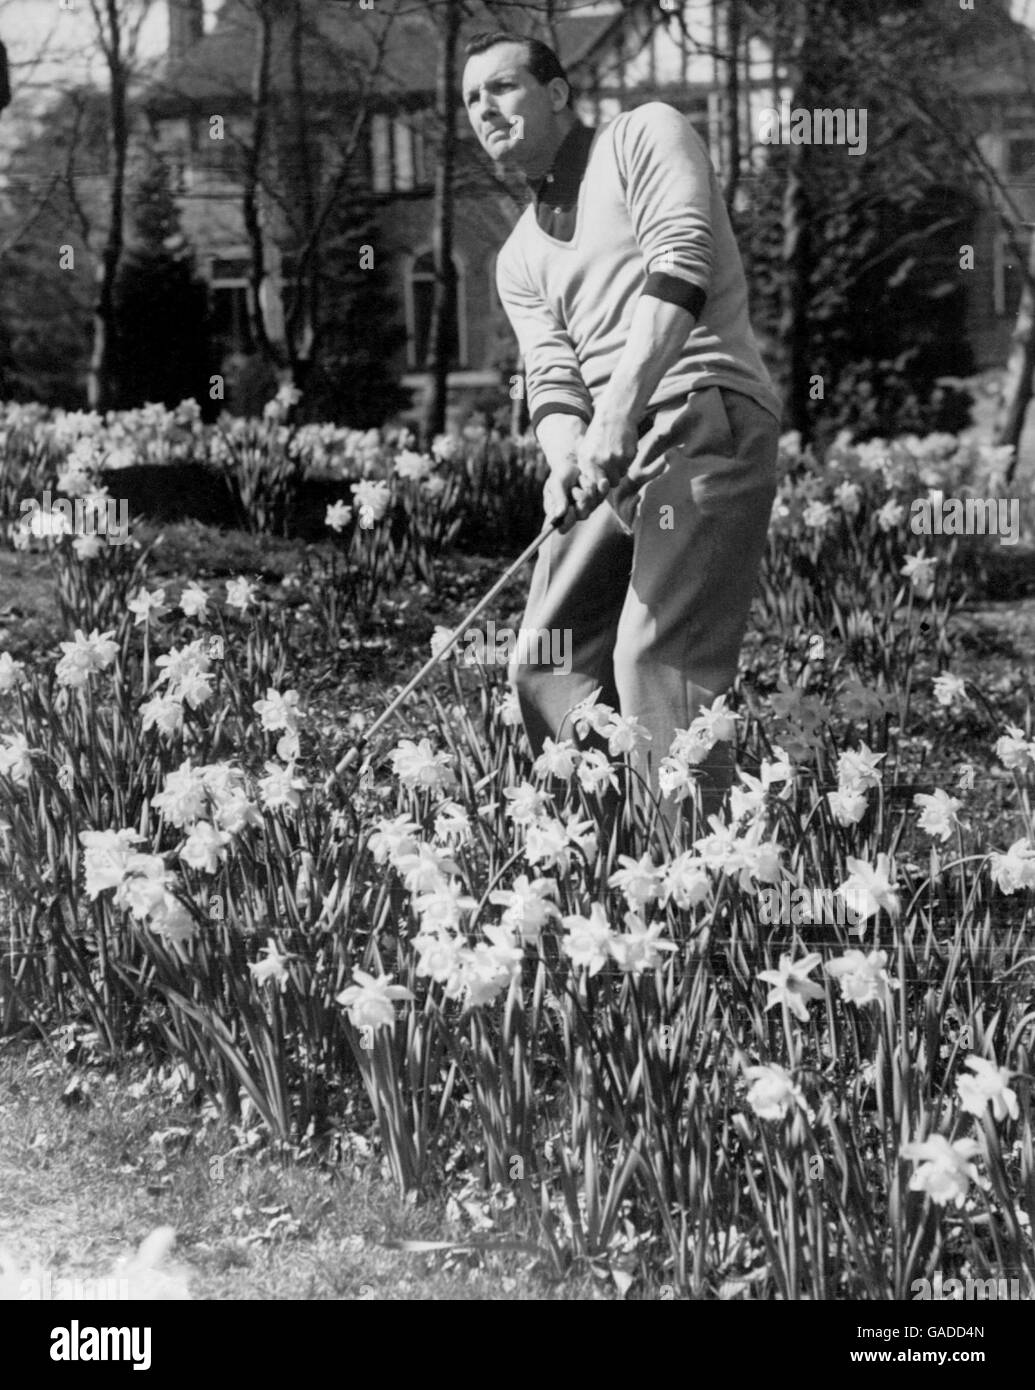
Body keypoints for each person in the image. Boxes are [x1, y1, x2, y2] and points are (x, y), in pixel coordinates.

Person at [463, 30, 782, 819]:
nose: (485, 110)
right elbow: (551, 379)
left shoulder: (644, 133)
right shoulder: (516, 256)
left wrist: (618, 409)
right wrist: (564, 457)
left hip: (701, 409)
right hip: (610, 451)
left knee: (655, 659)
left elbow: (683, 262)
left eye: (502, 87)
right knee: (544, 660)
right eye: (472, 100)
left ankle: (696, 881)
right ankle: (603, 865)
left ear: (559, 91)